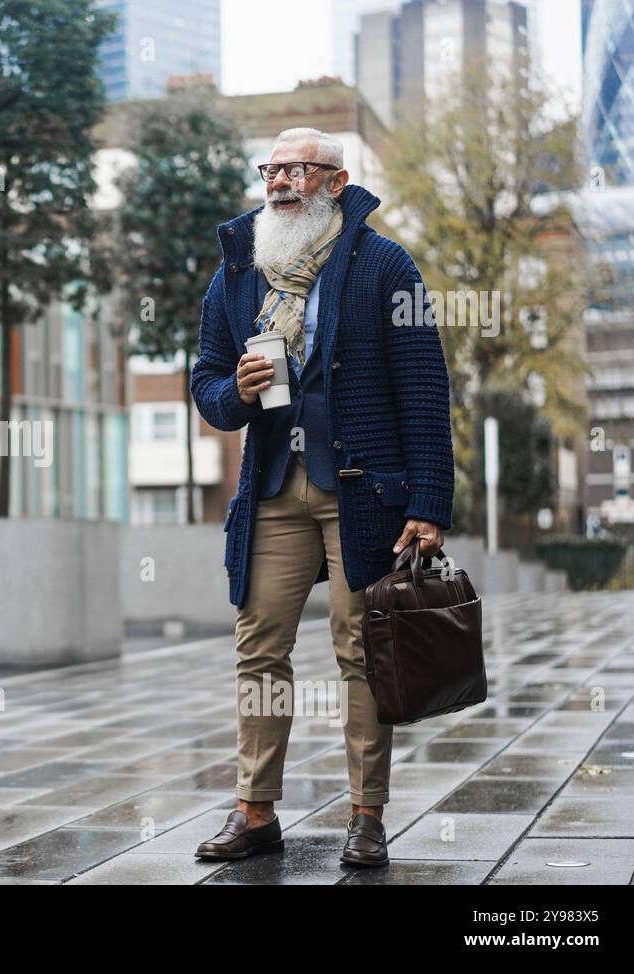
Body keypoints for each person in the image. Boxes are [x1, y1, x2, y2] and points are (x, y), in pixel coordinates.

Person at [188, 127, 454, 868]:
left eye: (298, 170)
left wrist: (429, 500)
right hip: (273, 486)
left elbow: (427, 391)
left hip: (362, 490)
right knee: (258, 647)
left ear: (335, 183)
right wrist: (231, 394)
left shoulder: (382, 264)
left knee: (361, 648)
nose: (280, 182)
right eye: (271, 169)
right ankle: (254, 810)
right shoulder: (239, 273)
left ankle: (366, 815)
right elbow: (206, 378)